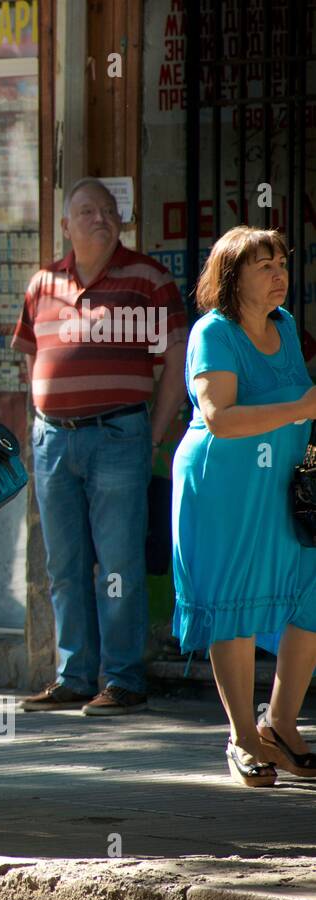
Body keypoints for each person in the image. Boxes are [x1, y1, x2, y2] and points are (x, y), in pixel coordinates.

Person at [15, 178, 188, 716]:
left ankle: (123, 678)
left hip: (119, 436)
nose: (100, 217)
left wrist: (155, 429)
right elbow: (30, 354)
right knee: (63, 565)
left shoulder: (147, 277)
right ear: (66, 226)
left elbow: (177, 356)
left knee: (118, 563)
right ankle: (73, 675)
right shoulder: (43, 282)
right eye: (87, 210)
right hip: (53, 441)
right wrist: (39, 420)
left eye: (108, 210)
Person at [171, 226, 316, 786]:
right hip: (222, 489)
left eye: (282, 263)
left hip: (277, 488)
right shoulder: (214, 331)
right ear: (234, 277)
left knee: (309, 590)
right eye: (265, 266)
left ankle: (280, 723)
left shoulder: (285, 326)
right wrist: (301, 406)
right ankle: (242, 738)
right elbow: (220, 418)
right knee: (230, 602)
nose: (280, 274)